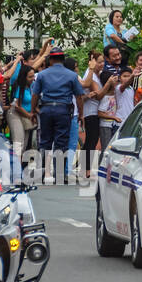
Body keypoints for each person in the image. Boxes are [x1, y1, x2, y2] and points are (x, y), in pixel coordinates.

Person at [31, 47, 86, 184]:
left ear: (51, 59)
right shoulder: (72, 75)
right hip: (63, 110)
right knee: (61, 142)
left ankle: (42, 173)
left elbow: (35, 95)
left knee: (45, 142)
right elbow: (79, 96)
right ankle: (60, 175)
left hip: (46, 110)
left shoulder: (43, 75)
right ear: (63, 59)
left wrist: (33, 111)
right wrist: (81, 114)